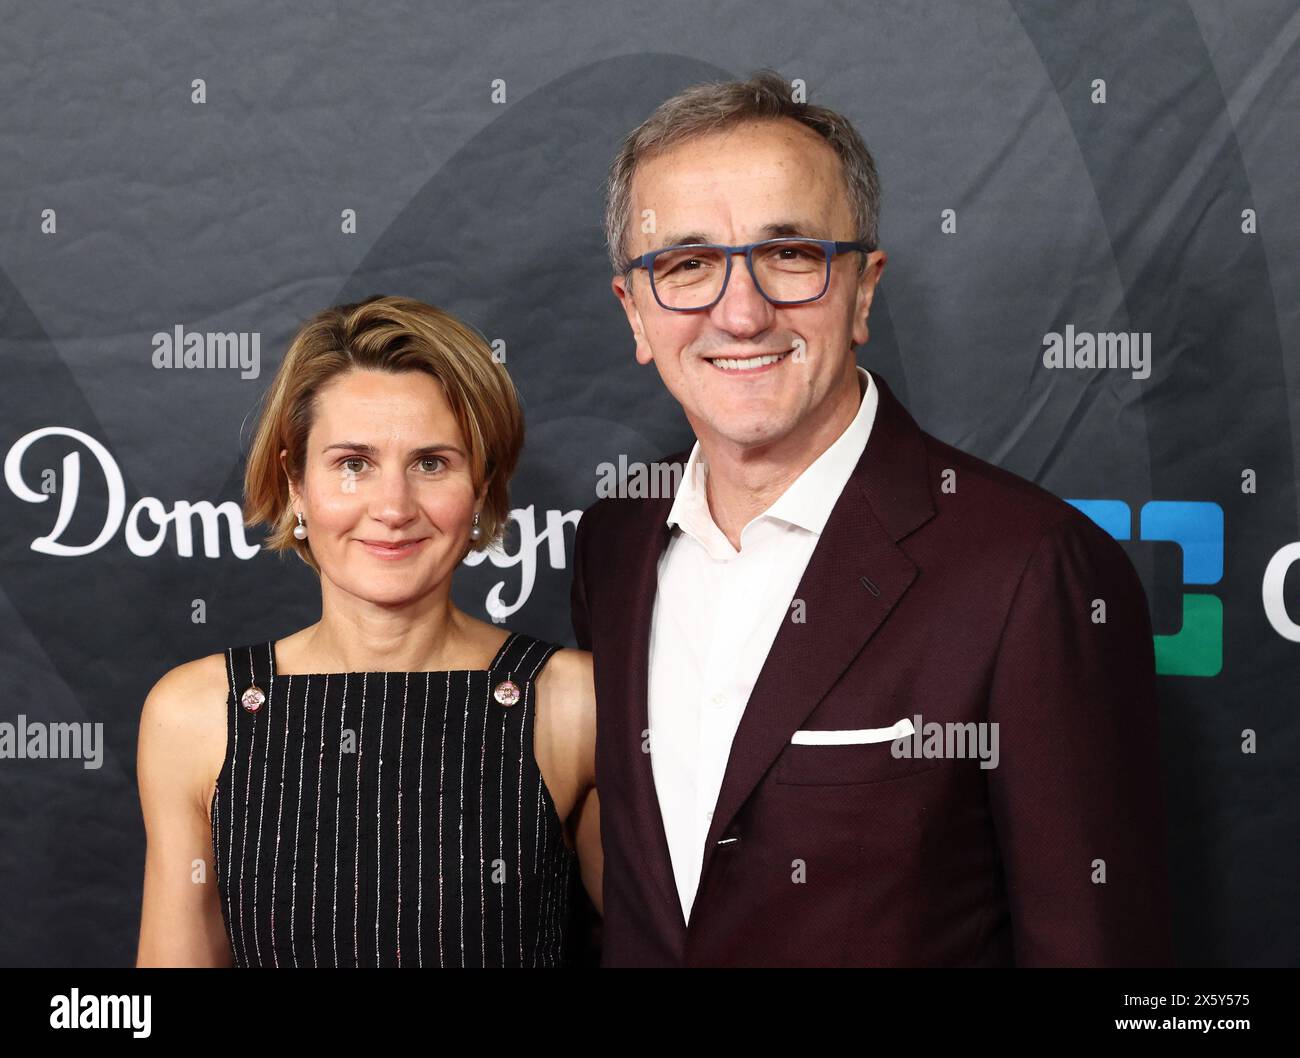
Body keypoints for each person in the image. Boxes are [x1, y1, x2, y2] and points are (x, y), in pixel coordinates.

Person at [570, 70, 1172, 966]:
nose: (741, 313)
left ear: (862, 291)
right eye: (687, 265)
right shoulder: (615, 540)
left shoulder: (1032, 571)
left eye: (790, 255)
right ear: (635, 312)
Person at [136, 295, 600, 967]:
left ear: (482, 485)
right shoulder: (194, 714)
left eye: (432, 463)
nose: (392, 507)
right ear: (296, 482)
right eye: (354, 463)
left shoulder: (573, 703)